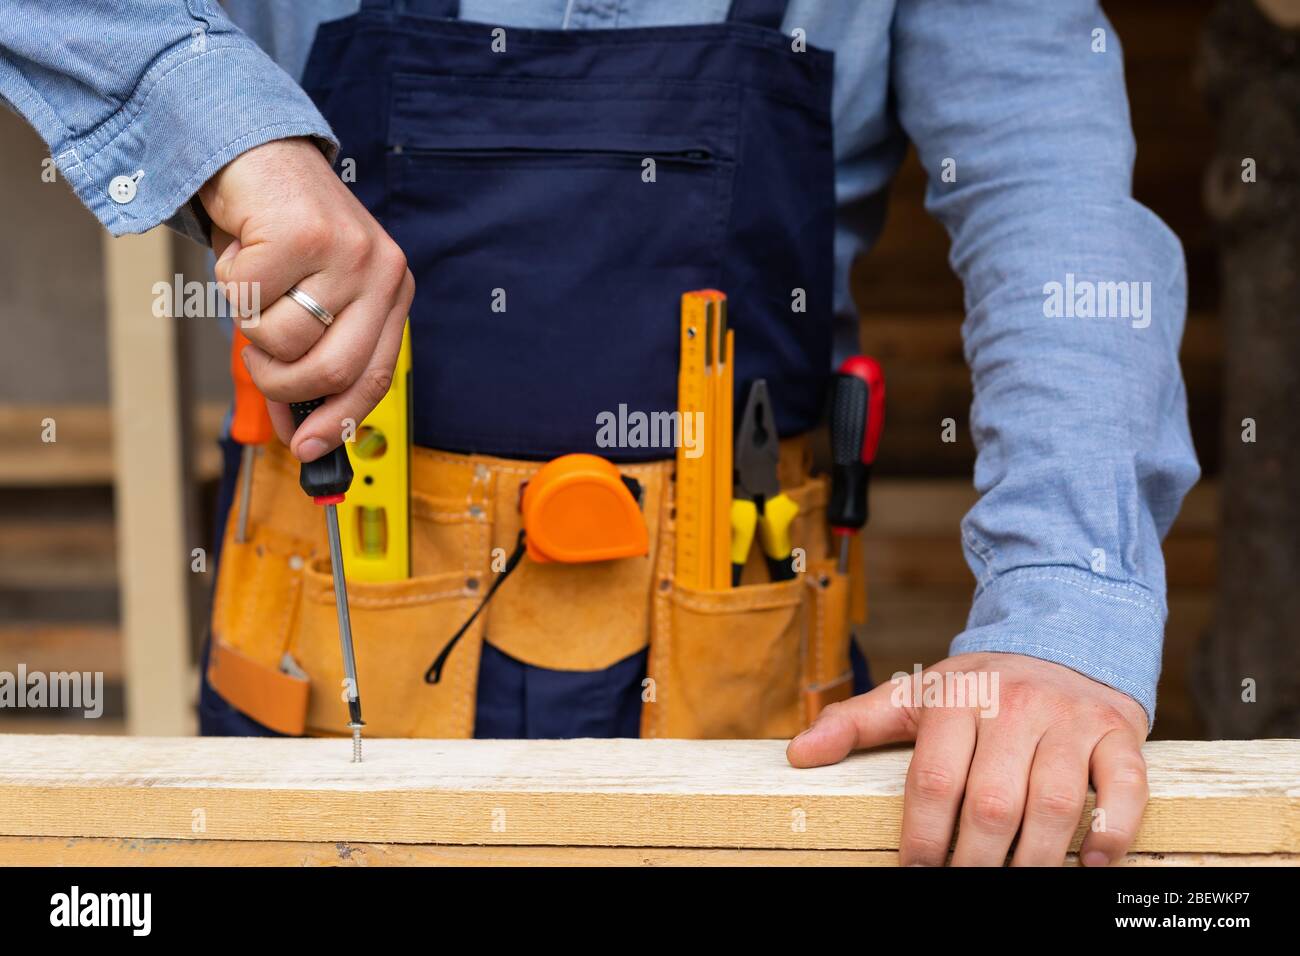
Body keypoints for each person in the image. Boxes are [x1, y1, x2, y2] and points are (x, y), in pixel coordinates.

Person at [1, 0, 1199, 866]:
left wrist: (1062, 599)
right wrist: (225, 125)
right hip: (314, 714)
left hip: (751, 728)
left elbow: (1051, 189)